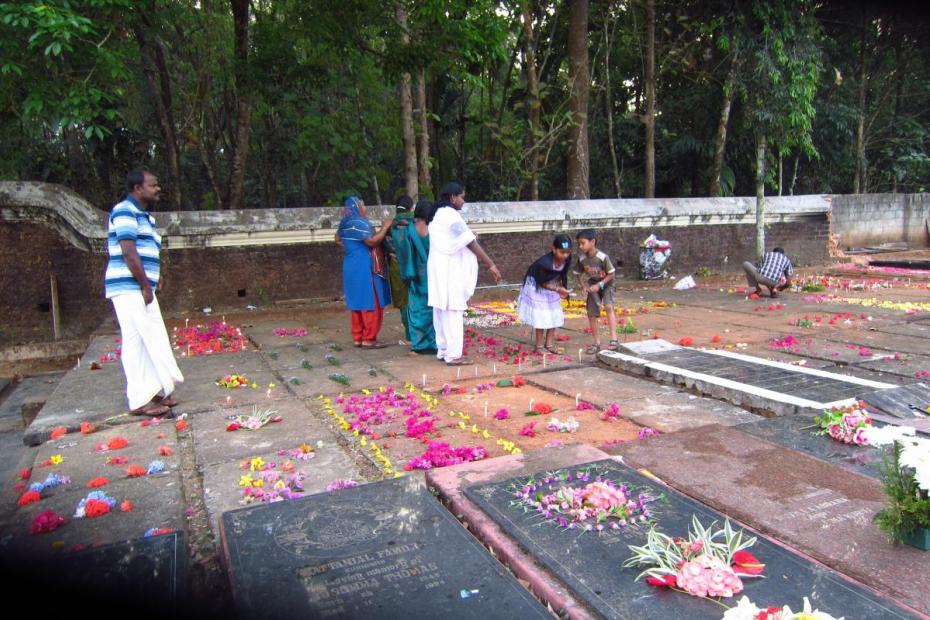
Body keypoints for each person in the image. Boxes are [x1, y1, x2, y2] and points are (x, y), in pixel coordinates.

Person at [104, 168, 184, 416]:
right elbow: (129, 252)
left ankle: (155, 390)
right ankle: (139, 399)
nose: (157, 189)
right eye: (153, 185)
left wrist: (153, 280)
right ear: (137, 188)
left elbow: (146, 252)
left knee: (150, 337)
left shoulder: (145, 217)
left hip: (140, 286)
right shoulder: (124, 211)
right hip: (129, 287)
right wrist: (145, 285)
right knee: (137, 341)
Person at [427, 182, 502, 365]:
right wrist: (491, 264)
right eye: (461, 197)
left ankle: (443, 350)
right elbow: (469, 242)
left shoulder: (437, 214)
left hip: (438, 267)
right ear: (453, 197)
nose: (463, 201)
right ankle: (453, 355)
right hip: (448, 269)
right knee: (453, 309)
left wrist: (470, 236)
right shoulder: (450, 215)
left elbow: (459, 237)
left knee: (441, 310)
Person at [336, 195, 393, 348]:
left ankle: (358, 337)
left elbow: (337, 239)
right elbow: (372, 241)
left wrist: (352, 248)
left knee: (356, 301)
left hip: (350, 264)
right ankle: (369, 338)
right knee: (371, 301)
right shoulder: (359, 222)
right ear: (357, 206)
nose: (364, 207)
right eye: (362, 204)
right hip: (364, 266)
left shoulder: (344, 222)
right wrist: (385, 228)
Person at [517, 235, 573, 352]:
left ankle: (549, 344)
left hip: (553, 284)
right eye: (562, 252)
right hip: (537, 286)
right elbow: (541, 283)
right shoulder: (544, 263)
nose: (565, 255)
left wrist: (563, 288)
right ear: (554, 249)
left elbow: (562, 274)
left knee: (553, 313)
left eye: (568, 252)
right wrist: (557, 289)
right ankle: (539, 346)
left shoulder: (567, 259)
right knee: (542, 315)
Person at [397, 199, 437, 353]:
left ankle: (419, 343)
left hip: (413, 273)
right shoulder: (434, 230)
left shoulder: (409, 229)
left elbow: (403, 252)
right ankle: (433, 343)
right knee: (432, 308)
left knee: (416, 308)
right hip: (432, 273)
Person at [573, 229, 619, 353]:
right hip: (593, 286)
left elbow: (612, 274)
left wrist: (600, 284)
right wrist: (583, 286)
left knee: (608, 306)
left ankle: (614, 339)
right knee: (591, 313)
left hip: (607, 284)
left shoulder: (602, 257)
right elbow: (578, 274)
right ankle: (596, 343)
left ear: (592, 242)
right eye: (579, 244)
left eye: (583, 243)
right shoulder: (582, 259)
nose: (580, 246)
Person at [386, 196, 414, 345]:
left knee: (403, 302)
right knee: (418, 297)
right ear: (411, 207)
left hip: (397, 266)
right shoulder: (417, 221)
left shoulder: (390, 225)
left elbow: (384, 245)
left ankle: (409, 336)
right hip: (416, 264)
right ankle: (422, 334)